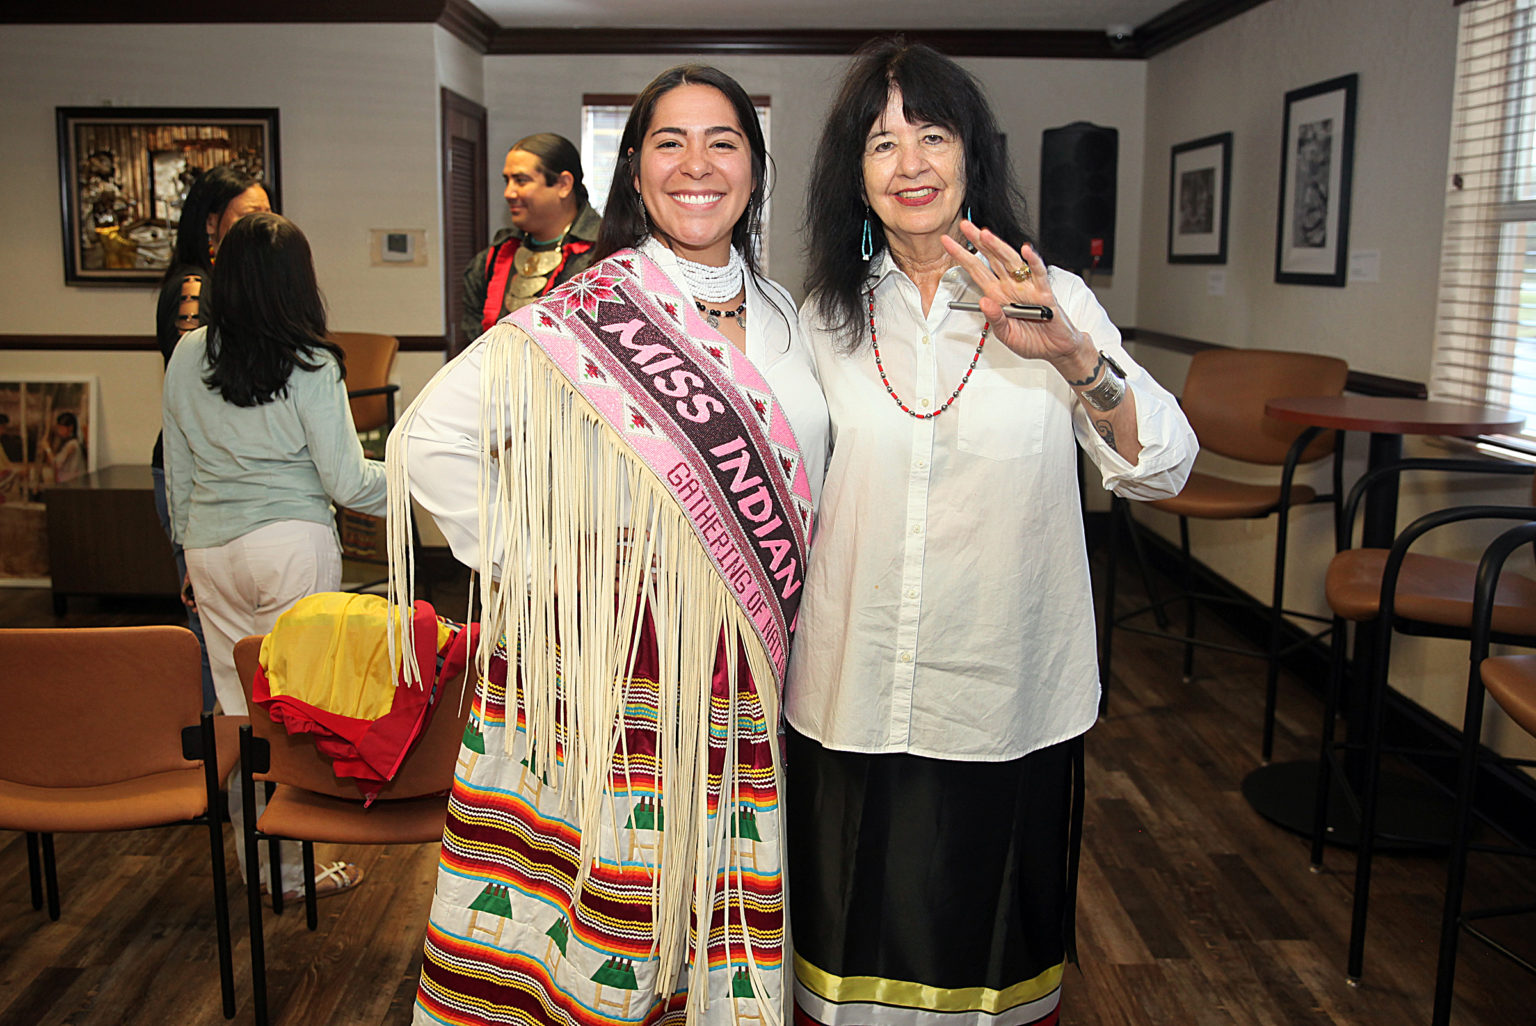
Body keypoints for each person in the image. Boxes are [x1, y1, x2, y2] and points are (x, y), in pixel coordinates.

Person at [387, 64, 829, 1026]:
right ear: (634, 168)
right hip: (621, 667)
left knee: (721, 903)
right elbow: (425, 440)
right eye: (669, 141)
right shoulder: (590, 310)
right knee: (611, 925)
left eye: (724, 141)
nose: (697, 164)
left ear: (755, 168)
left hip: (747, 675)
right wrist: (548, 566)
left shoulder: (796, 320)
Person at [785, 39, 1198, 1026]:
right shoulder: (823, 321)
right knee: (849, 945)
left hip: (1004, 690)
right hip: (853, 681)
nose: (912, 163)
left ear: (975, 156)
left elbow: (1165, 465)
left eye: (933, 135)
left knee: (985, 948)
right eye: (883, 144)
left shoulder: (1051, 298)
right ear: (858, 174)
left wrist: (1072, 357)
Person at [163, 210, 381, 902]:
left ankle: (266, 872)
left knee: (242, 717)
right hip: (290, 544)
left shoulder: (188, 353)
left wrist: (186, 562)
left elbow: (181, 472)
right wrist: (415, 477)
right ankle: (299, 867)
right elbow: (347, 483)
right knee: (296, 714)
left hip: (211, 550)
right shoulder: (312, 363)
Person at [152, 162, 270, 710]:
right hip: (195, 470)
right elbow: (206, 394)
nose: (263, 226)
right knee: (208, 635)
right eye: (251, 215)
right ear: (210, 224)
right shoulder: (197, 288)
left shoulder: (234, 285)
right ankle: (204, 768)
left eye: (269, 214)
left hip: (213, 473)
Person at [458, 132, 602, 347]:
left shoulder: (607, 255)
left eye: (521, 181)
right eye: (507, 181)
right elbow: (474, 344)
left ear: (563, 184)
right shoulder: (492, 259)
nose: (508, 193)